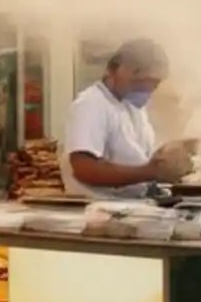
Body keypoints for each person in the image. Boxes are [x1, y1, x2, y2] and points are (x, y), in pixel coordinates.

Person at [63, 38, 192, 198]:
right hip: (100, 208)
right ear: (118, 70)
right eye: (142, 81)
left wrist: (169, 157)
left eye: (154, 83)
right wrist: (149, 172)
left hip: (133, 204)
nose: (147, 89)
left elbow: (140, 157)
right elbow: (85, 168)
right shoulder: (91, 105)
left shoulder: (132, 107)